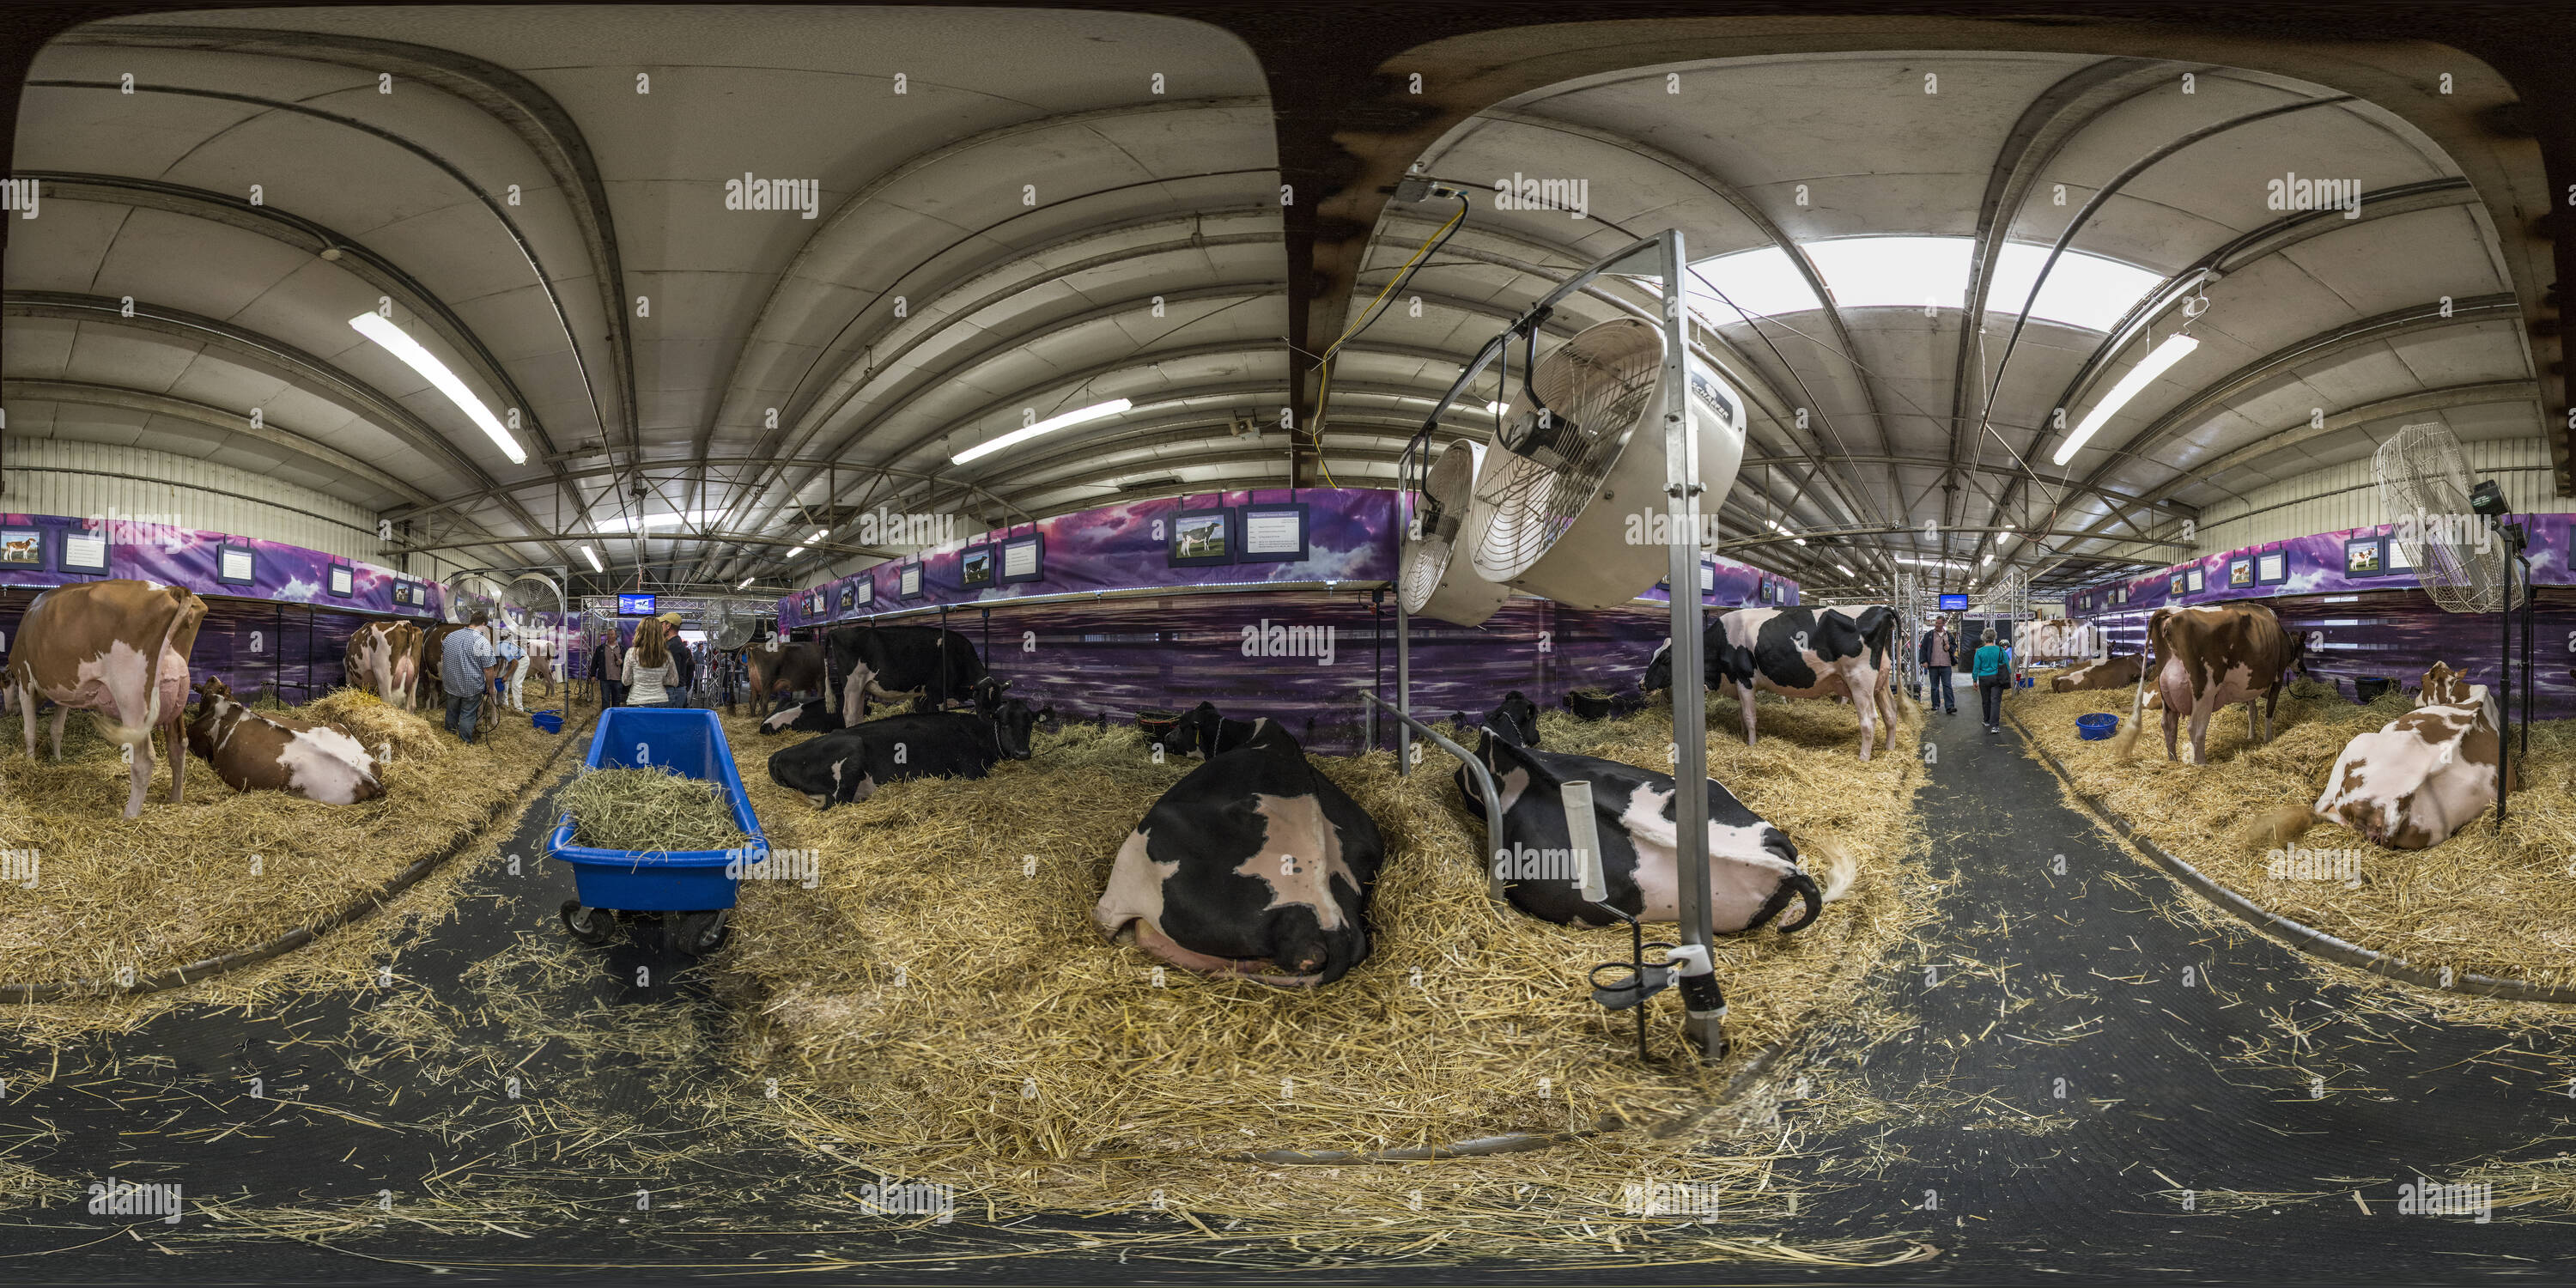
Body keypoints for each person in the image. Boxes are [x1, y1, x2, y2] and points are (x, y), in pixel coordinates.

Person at [440, 612, 500, 744]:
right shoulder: (482, 641)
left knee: (451, 710)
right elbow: (488, 669)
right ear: (483, 625)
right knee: (468, 714)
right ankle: (464, 742)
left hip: (451, 683)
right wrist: (491, 687)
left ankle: (449, 735)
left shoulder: (451, 636)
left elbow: (444, 653)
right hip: (471, 687)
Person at [623, 618, 680, 708]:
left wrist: (640, 678)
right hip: (661, 701)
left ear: (639, 632)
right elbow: (674, 681)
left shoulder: (631, 653)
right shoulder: (667, 655)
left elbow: (626, 681)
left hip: (638, 701)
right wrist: (658, 679)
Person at [1971, 628, 2014, 733]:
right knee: (1995, 702)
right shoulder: (2000, 650)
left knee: (1986, 701)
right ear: (1994, 637)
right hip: (1997, 678)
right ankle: (1995, 726)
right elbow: (2007, 665)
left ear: (1983, 638)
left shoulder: (1979, 651)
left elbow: (1976, 667)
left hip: (1984, 678)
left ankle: (1986, 721)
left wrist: (1974, 680)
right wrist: (2010, 677)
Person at [1917, 617, 1959, 715]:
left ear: (1943, 624)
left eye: (1939, 623)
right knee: (1934, 686)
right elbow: (1923, 648)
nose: (1937, 625)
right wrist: (1923, 661)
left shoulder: (1949, 635)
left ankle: (1949, 706)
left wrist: (1950, 648)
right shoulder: (1929, 635)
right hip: (1933, 665)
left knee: (1947, 685)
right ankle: (1935, 704)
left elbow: (1954, 647)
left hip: (1946, 665)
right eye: (1936, 623)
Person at [659, 611, 696, 706]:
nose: (660, 627)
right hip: (677, 690)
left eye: (662, 624)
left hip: (673, 691)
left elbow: (670, 673)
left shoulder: (672, 646)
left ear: (668, 625)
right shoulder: (676, 643)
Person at [495, 626, 529, 712]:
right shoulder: (497, 646)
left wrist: (507, 675)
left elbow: (515, 663)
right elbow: (496, 663)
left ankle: (519, 709)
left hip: (522, 660)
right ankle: (503, 703)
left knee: (515, 684)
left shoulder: (501, 647)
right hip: (516, 660)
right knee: (501, 678)